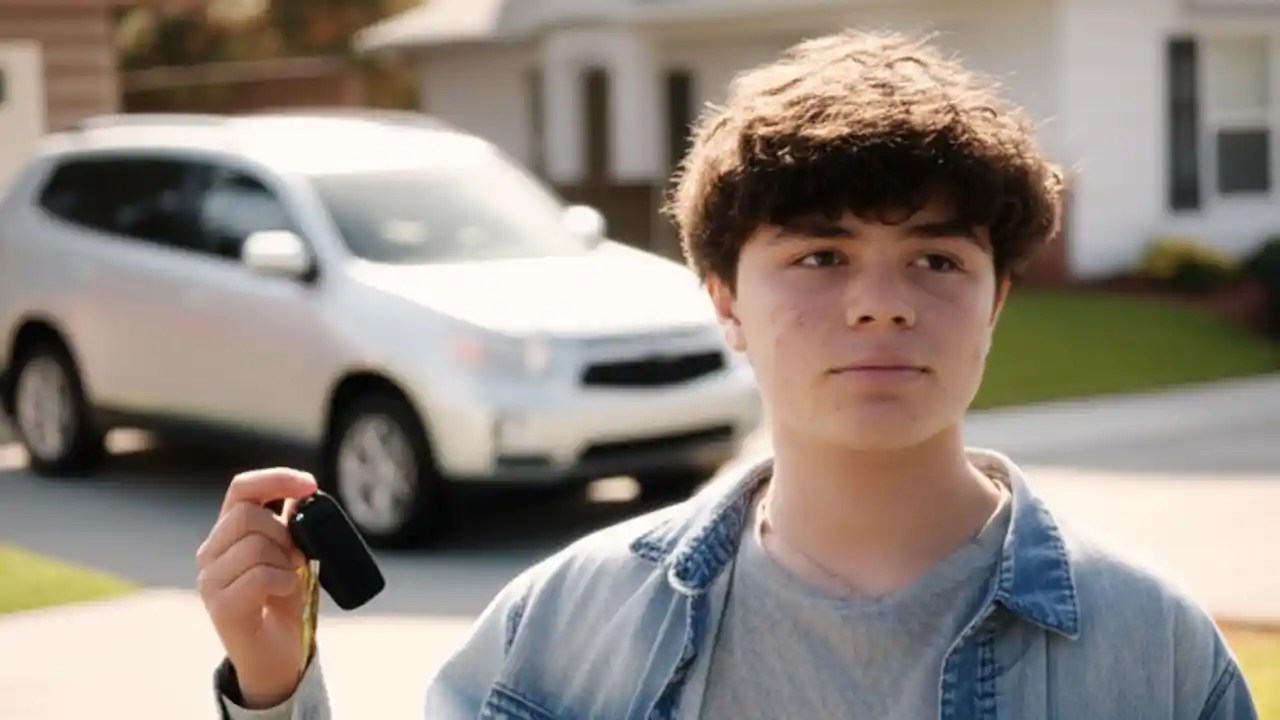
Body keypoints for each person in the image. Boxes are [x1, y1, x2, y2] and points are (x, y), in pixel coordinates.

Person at [197, 29, 1259, 719]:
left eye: (936, 259)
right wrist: (272, 687)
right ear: (721, 299)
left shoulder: (1146, 648)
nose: (878, 301)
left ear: (995, 299)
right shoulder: (564, 629)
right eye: (818, 256)